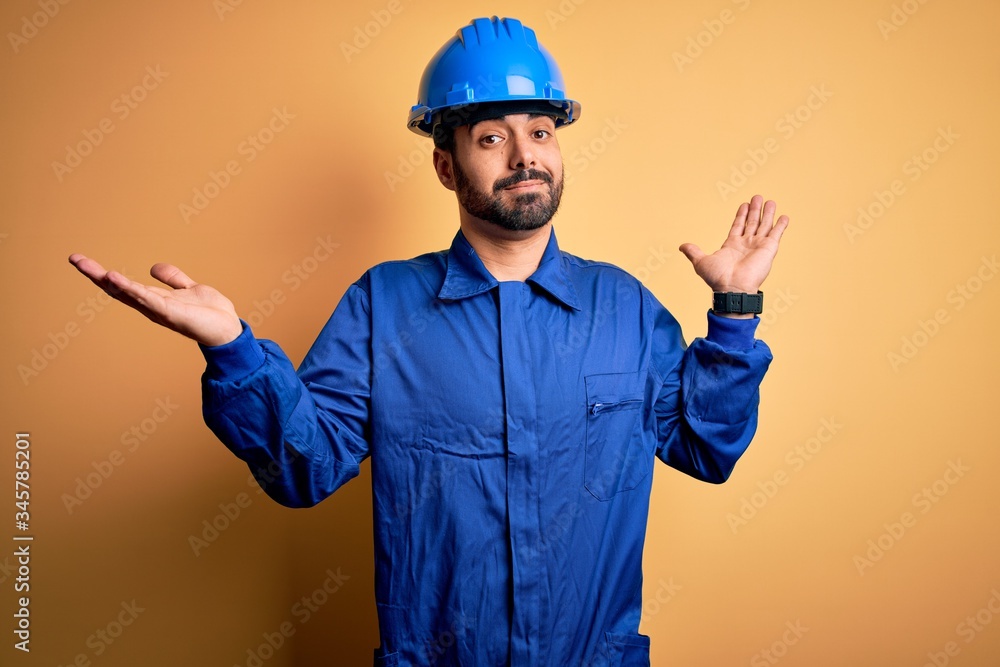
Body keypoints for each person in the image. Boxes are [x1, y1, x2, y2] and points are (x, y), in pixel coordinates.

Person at [69, 16, 788, 667]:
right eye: (490, 137)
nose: (523, 155)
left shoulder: (624, 306)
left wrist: (733, 311)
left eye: (539, 131)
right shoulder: (383, 305)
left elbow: (706, 448)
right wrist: (234, 350)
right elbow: (304, 468)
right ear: (446, 165)